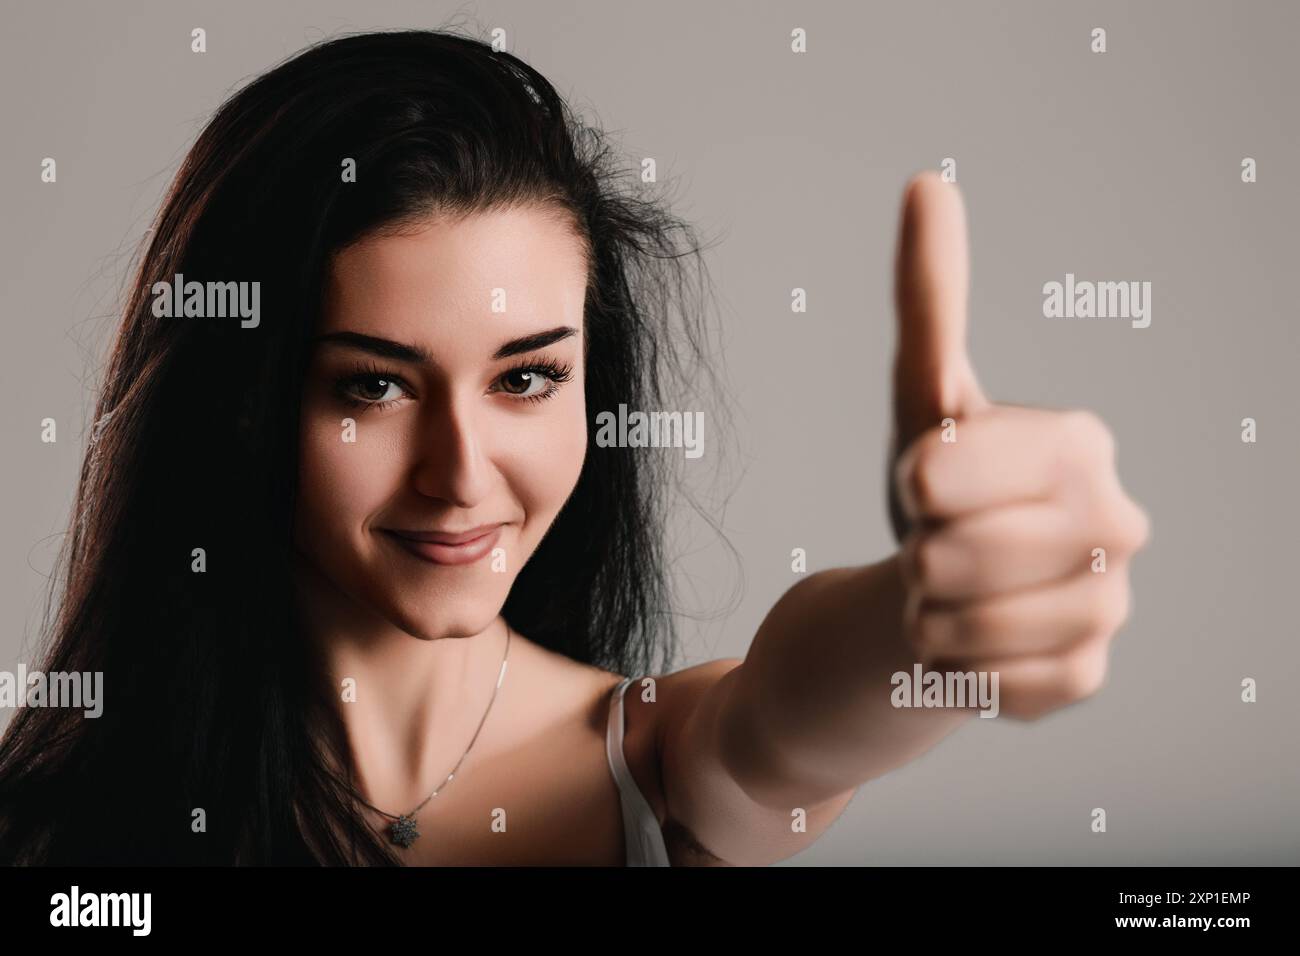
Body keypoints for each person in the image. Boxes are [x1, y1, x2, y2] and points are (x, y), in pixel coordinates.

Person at [0, 28, 1149, 866]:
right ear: (245, 400)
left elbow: (786, 720)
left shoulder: (654, 765)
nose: (460, 473)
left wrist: (923, 619)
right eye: (375, 384)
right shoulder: (56, 825)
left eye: (526, 377)